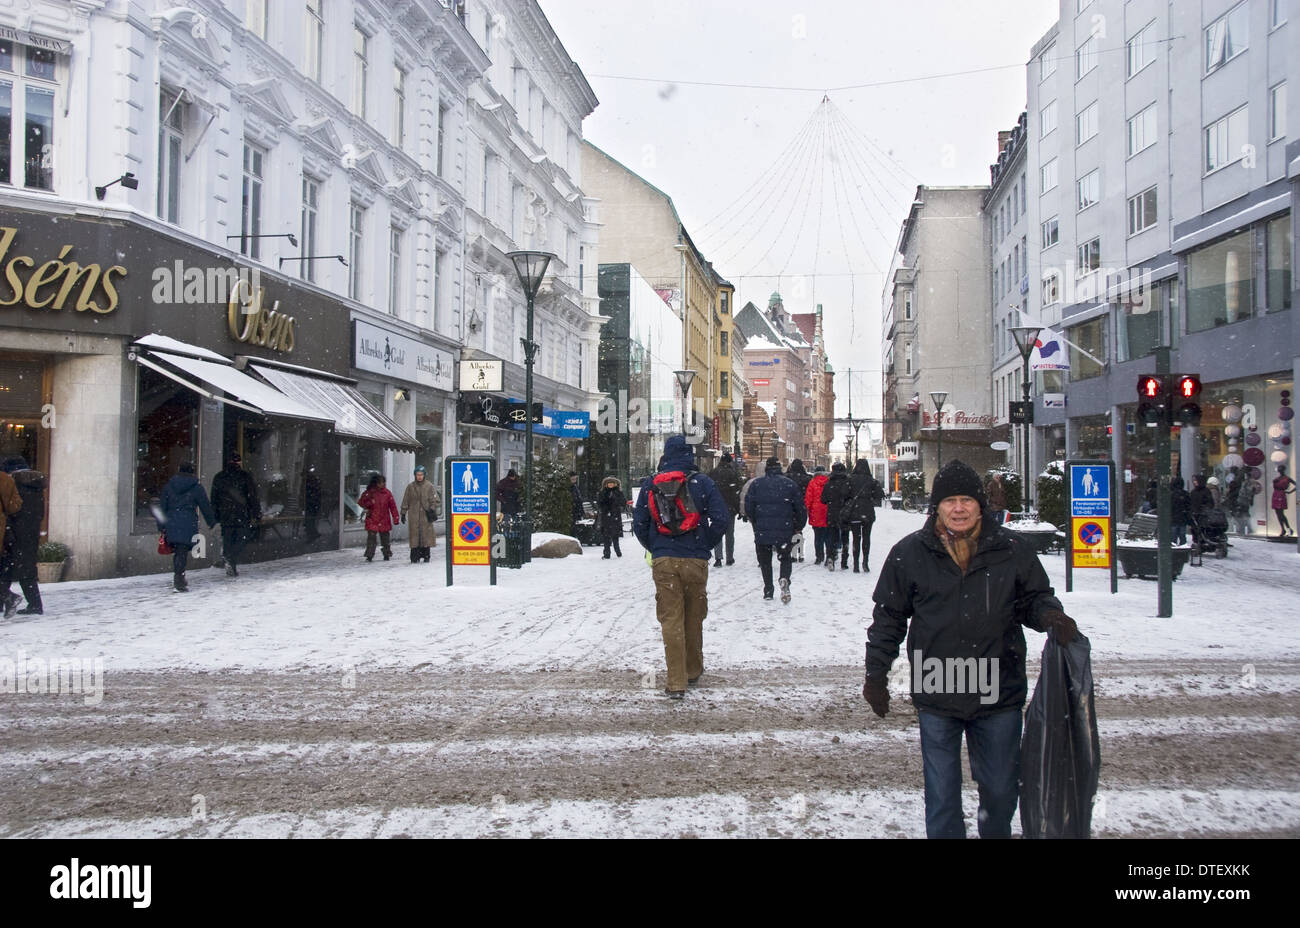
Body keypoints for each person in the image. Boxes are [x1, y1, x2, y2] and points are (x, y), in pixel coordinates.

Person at [862, 459, 1080, 839]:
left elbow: (1034, 598)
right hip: (937, 690)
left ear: (981, 505)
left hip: (997, 689)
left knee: (999, 791)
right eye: (949, 501)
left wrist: (1051, 617)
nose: (958, 508)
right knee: (942, 797)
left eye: (966, 500)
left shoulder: (1012, 550)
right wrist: (876, 675)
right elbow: (889, 618)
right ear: (937, 507)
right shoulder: (910, 553)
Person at [632, 435, 728, 699]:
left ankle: (676, 682)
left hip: (664, 560)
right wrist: (704, 543)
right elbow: (721, 518)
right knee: (694, 615)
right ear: (690, 456)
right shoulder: (703, 482)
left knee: (671, 619)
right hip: (695, 559)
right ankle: (693, 669)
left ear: (665, 455)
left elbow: (639, 522)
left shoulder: (651, 484)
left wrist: (656, 546)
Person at [744, 456, 807, 603]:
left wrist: (756, 520)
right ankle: (784, 578)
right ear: (779, 468)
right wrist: (798, 526)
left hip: (763, 529)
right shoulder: (789, 484)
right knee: (785, 557)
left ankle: (768, 589)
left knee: (765, 561)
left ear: (767, 469)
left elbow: (749, 506)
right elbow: (800, 507)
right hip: (784, 528)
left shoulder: (757, 484)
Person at [157, 462, 216, 593]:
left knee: (179, 551)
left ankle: (179, 577)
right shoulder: (196, 487)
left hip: (172, 522)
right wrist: (212, 522)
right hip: (188, 522)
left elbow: (162, 507)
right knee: (182, 550)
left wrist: (161, 526)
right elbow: (205, 505)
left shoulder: (169, 486)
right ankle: (179, 579)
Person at [1, 457, 43, 616]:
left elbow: (12, 508)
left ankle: (7, 599)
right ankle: (35, 604)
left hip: (13, 532)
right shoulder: (36, 485)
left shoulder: (14, 484)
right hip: (31, 532)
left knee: (6, 569)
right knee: (27, 569)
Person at [210, 452, 261, 577]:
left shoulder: (219, 477)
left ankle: (229, 560)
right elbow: (252, 496)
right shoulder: (245, 476)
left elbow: (214, 498)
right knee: (243, 537)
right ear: (238, 462)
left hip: (225, 514)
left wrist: (215, 515)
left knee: (228, 538)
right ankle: (231, 558)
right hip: (241, 513)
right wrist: (256, 513)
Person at [843, 459, 880, 573]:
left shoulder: (850, 480)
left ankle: (855, 565)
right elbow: (879, 495)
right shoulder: (872, 481)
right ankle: (865, 562)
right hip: (867, 511)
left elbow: (844, 494)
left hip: (855, 511)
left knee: (856, 538)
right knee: (866, 538)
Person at [401, 465, 440, 563]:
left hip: (425, 517)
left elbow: (435, 500)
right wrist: (403, 513)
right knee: (414, 537)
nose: (419, 477)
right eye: (417, 475)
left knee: (426, 537)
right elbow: (406, 500)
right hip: (413, 517)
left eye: (421, 475)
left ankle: (426, 555)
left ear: (424, 475)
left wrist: (431, 508)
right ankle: (415, 556)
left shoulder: (429, 486)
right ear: (415, 475)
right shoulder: (410, 487)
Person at [358, 473, 399, 561]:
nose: (382, 484)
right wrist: (369, 503)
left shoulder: (387, 493)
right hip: (373, 518)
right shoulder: (370, 492)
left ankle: (386, 554)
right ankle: (370, 555)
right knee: (371, 539)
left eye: (383, 482)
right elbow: (361, 502)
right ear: (376, 483)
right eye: (380, 483)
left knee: (385, 539)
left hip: (383, 519)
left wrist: (396, 517)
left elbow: (393, 506)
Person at [711, 452, 742, 566]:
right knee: (730, 534)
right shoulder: (733, 473)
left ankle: (718, 558)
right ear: (729, 461)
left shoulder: (713, 473)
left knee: (718, 532)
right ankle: (730, 557)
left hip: (716, 508)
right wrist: (738, 508)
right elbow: (737, 492)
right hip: (730, 507)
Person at [819, 462, 852, 572]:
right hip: (845, 513)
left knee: (831, 537)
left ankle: (830, 557)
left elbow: (823, 499)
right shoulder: (847, 483)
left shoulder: (829, 483)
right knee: (845, 538)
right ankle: (844, 561)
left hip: (832, 512)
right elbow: (851, 498)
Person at [785, 459, 811, 561]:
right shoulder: (807, 479)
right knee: (799, 530)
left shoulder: (786, 478)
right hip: (801, 506)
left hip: (788, 505)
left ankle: (791, 552)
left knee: (789, 530)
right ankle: (799, 553)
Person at [805, 464, 830, 565]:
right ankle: (829, 555)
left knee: (818, 536)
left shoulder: (812, 483)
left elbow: (808, 499)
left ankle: (819, 556)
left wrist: (807, 509)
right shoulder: (828, 482)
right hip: (827, 511)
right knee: (828, 536)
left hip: (816, 512)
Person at [598, 476, 627, 558]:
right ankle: (607, 553)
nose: (610, 485)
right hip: (606, 516)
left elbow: (623, 502)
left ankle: (618, 551)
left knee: (615, 534)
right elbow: (600, 503)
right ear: (606, 484)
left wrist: (616, 503)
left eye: (612, 483)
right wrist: (606, 506)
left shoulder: (618, 492)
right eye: (609, 483)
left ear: (615, 484)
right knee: (606, 535)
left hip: (615, 516)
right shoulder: (603, 492)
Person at [1272, 464, 1296, 537]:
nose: (1280, 470)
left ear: (1283, 469)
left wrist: (1290, 491)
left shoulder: (1287, 478)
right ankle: (1283, 529)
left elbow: (1296, 484)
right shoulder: (1277, 478)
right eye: (1279, 468)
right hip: (1275, 494)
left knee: (1281, 513)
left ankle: (1288, 528)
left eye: (1281, 468)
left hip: (1281, 495)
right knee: (1278, 513)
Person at [1168, 476, 1191, 547]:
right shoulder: (1185, 494)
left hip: (1173, 517)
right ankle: (1183, 548)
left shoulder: (1170, 494)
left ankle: (1174, 548)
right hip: (1182, 517)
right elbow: (1189, 506)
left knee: (1173, 535)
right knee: (1182, 534)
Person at [302, 466, 322, 541]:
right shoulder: (313, 481)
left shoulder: (310, 482)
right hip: (313, 503)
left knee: (310, 520)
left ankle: (312, 534)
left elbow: (312, 493)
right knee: (311, 520)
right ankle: (313, 533)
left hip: (311, 503)